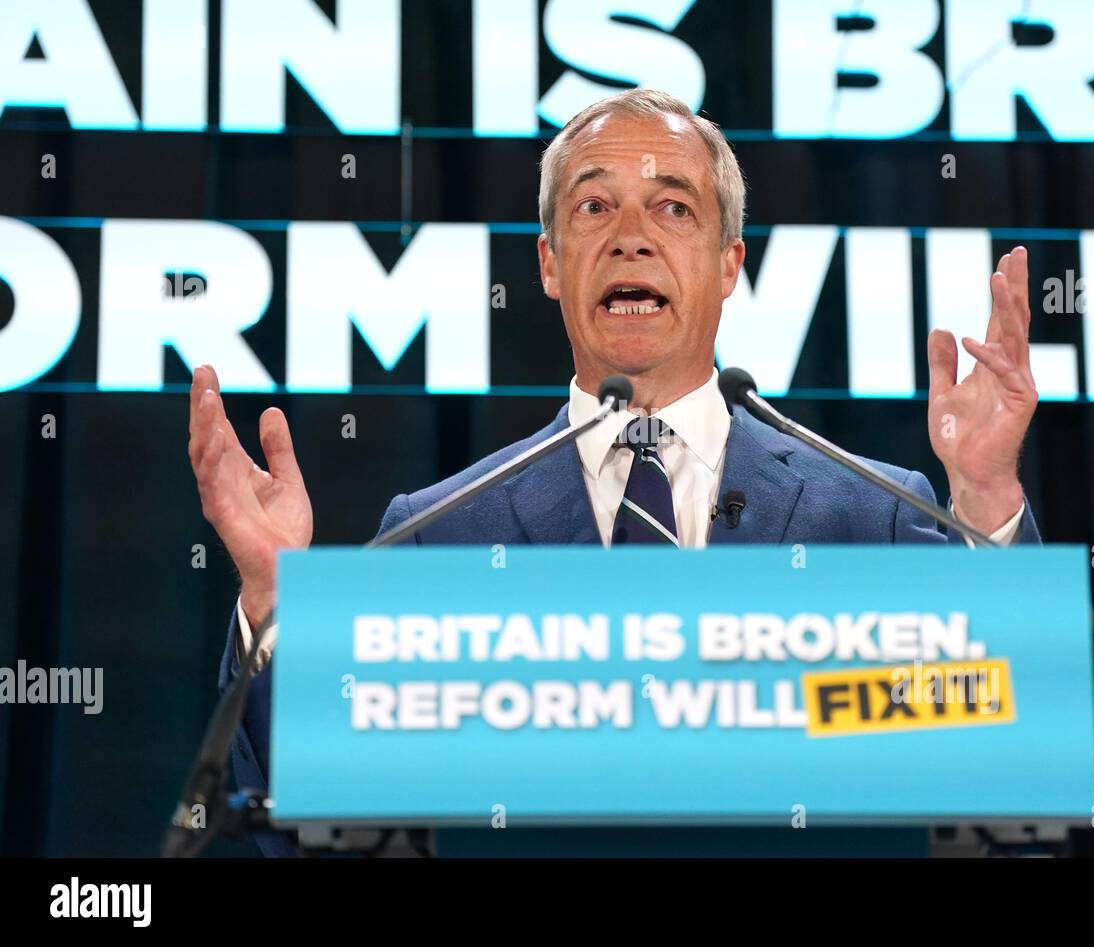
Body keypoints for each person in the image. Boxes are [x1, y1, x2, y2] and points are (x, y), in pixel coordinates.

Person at [187, 89, 1040, 856]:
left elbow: (1001, 775)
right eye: (595, 206)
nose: (632, 235)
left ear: (730, 263)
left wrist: (987, 499)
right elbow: (315, 827)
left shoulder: (870, 513)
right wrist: (273, 607)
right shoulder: (441, 530)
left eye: (673, 207)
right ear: (552, 263)